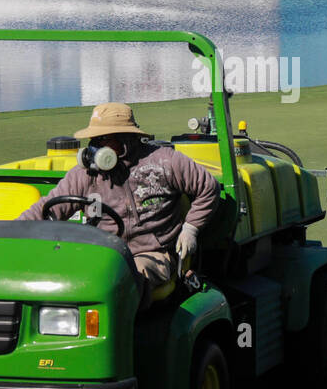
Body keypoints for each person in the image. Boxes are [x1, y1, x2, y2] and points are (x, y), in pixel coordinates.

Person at [17, 102, 220, 304]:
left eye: (102, 139)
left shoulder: (165, 162)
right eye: (93, 139)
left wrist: (191, 228)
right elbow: (46, 209)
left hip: (153, 255)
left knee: (122, 281)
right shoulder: (85, 174)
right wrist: (11, 232)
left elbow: (208, 187)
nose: (94, 147)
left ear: (126, 139)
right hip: (102, 254)